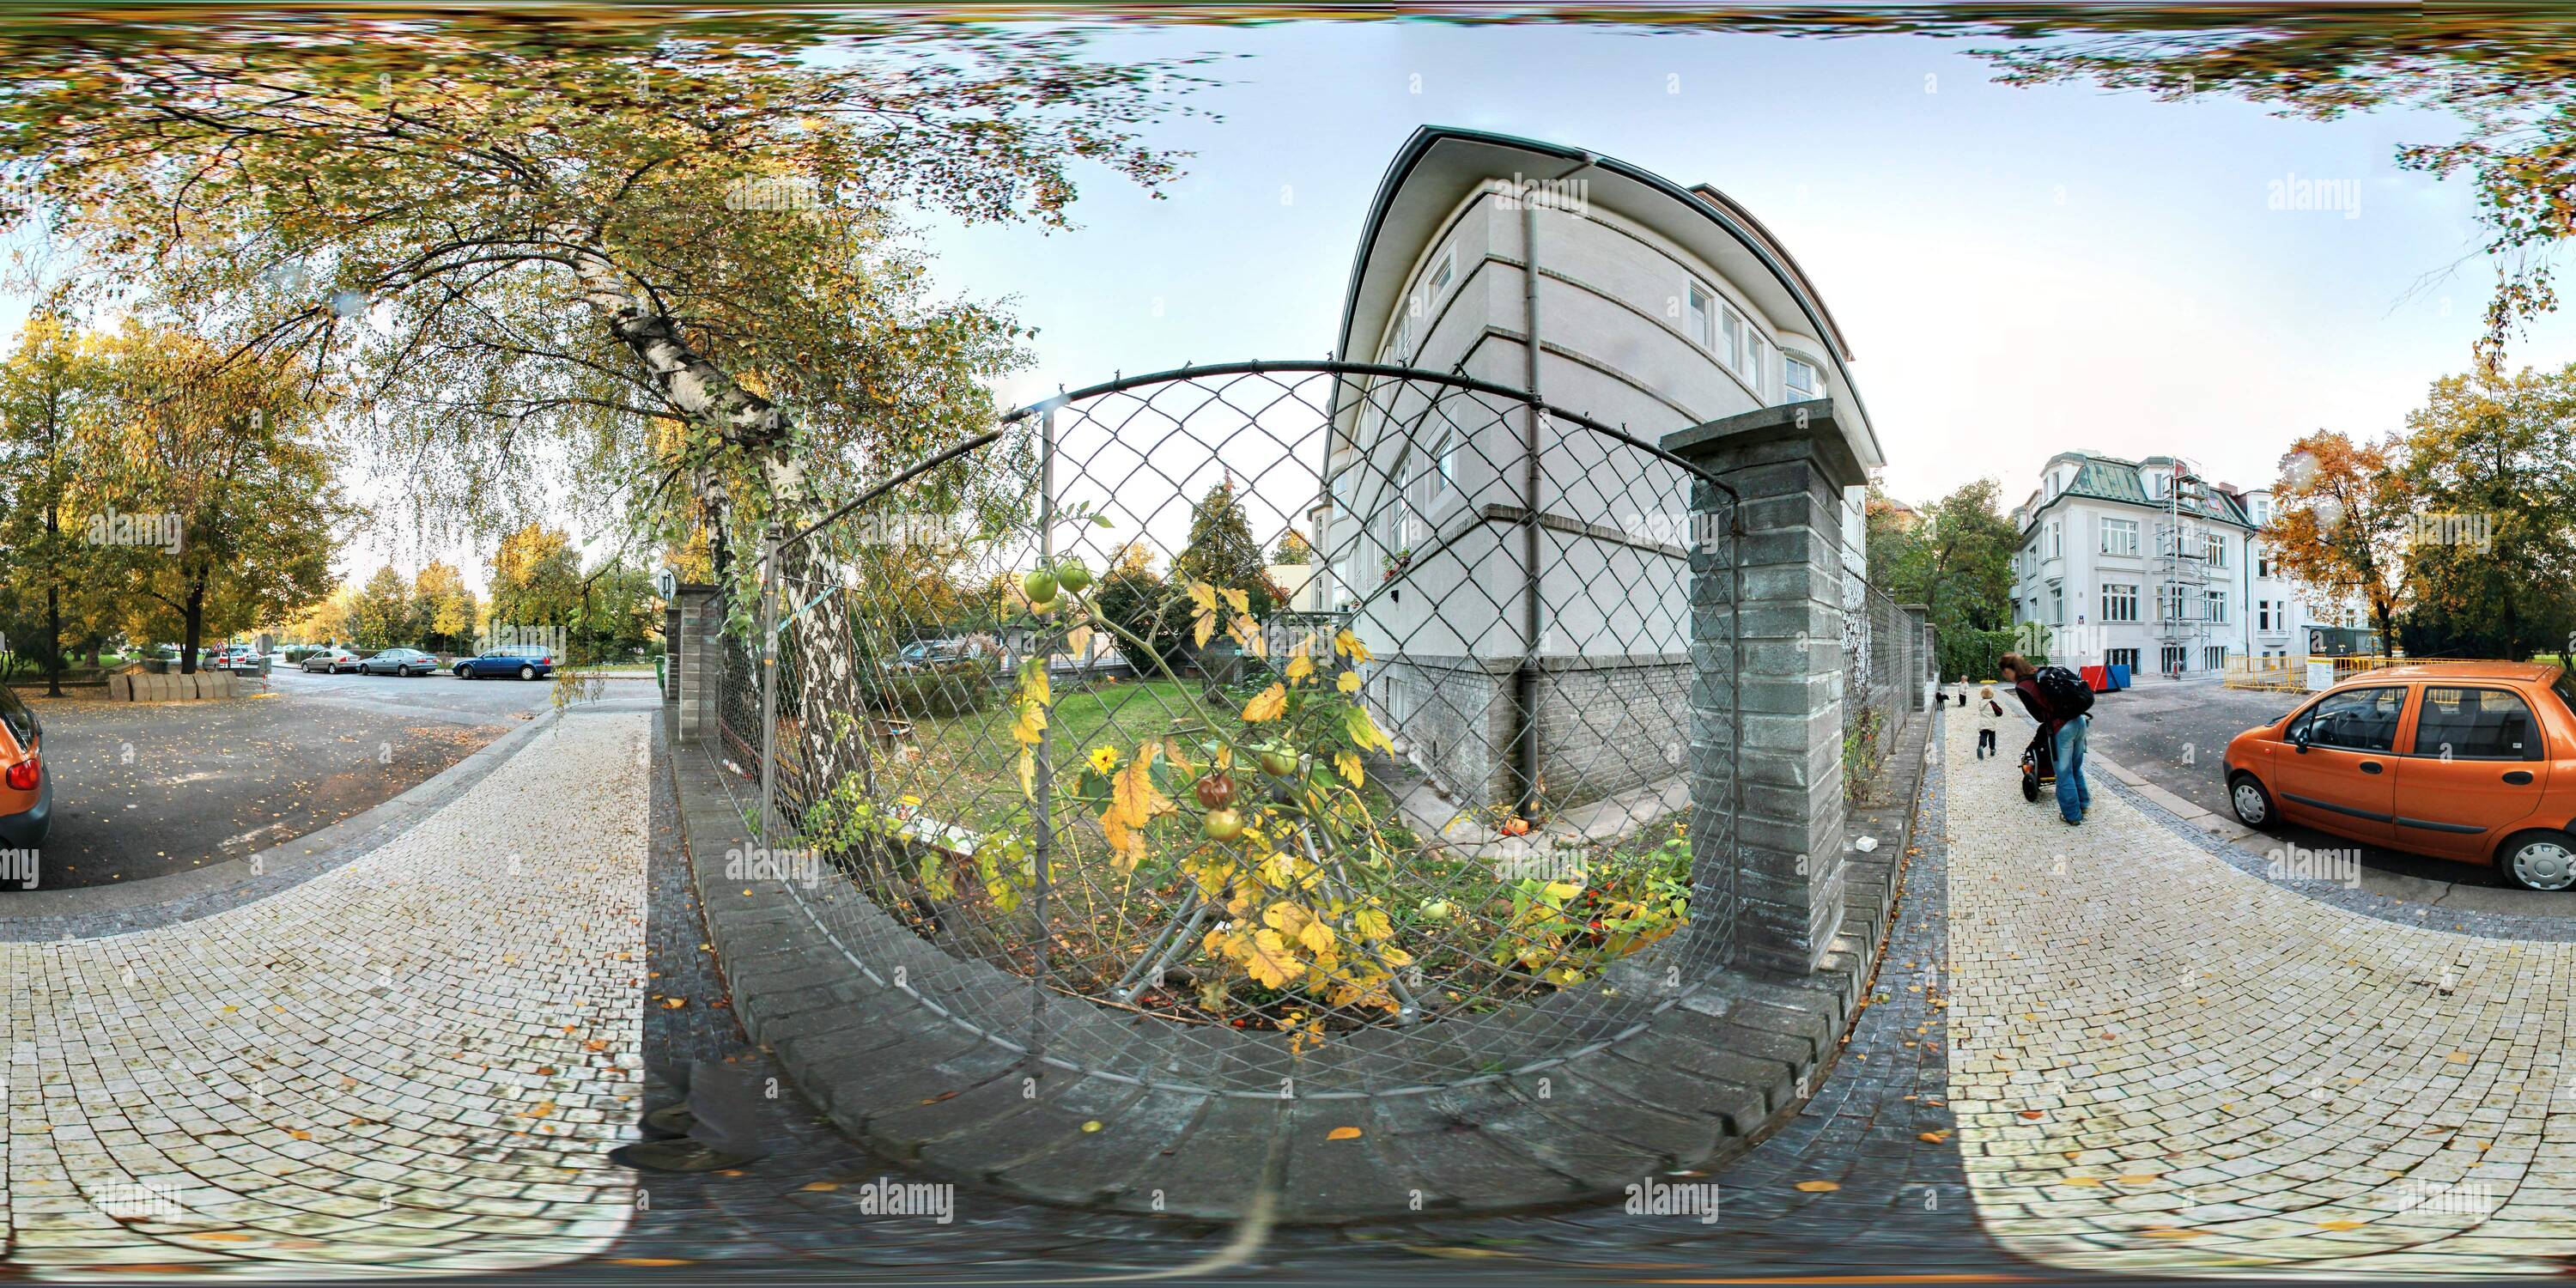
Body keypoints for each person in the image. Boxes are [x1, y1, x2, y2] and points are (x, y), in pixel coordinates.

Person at [1999, 652, 2090, 824]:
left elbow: (2039, 717)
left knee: (2064, 773)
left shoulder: (2023, 685)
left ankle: (2072, 815)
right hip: (2079, 721)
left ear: (2011, 669)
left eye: (2005, 672)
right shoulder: (2041, 672)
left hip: (2061, 728)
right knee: (2076, 768)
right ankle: (2083, 804)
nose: (2005, 676)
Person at [1974, 684, 2002, 759]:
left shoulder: (1981, 703)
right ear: (1992, 694)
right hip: (1991, 724)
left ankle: (1981, 746)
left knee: (1983, 736)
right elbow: (2000, 712)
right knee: (1992, 737)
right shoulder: (1992, 703)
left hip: (1983, 723)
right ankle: (1992, 750)